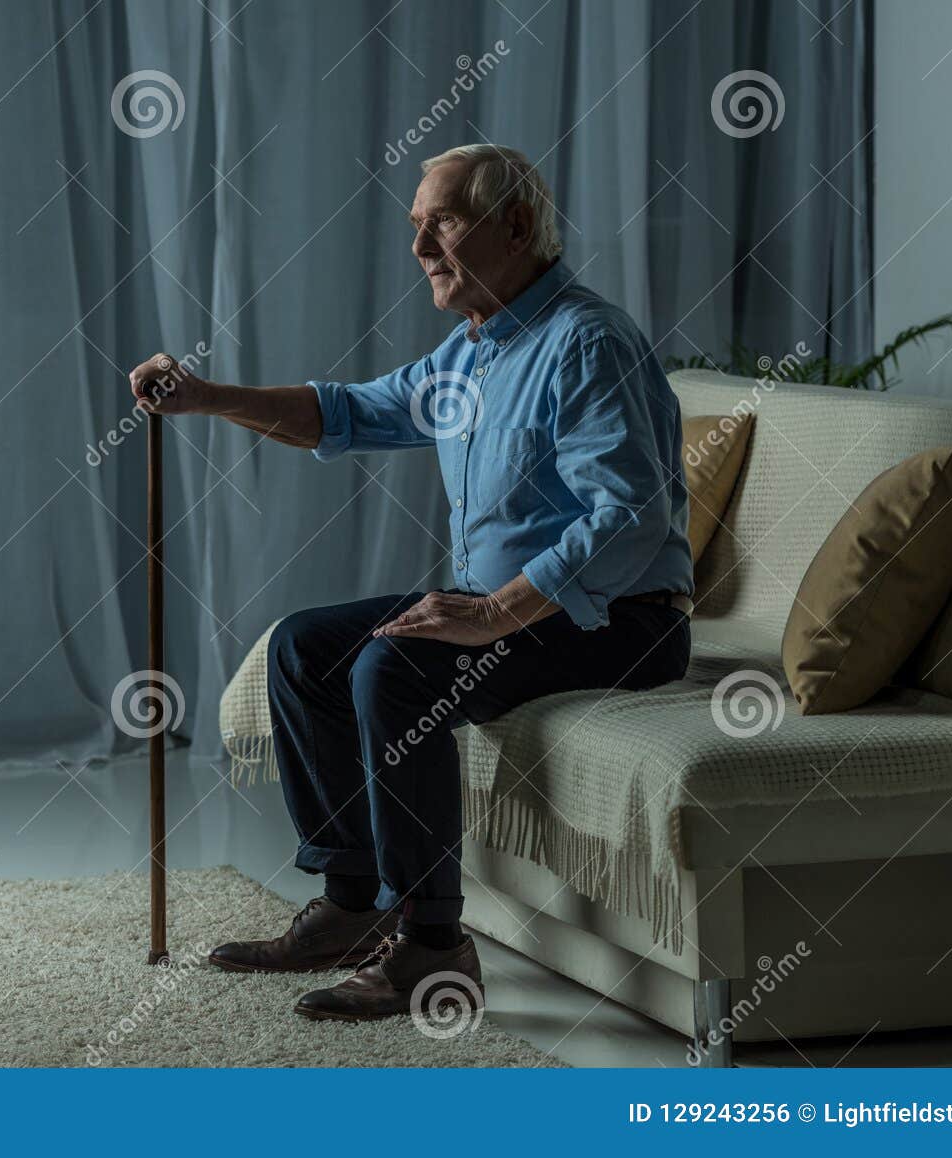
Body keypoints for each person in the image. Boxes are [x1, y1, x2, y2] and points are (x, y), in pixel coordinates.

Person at [127, 144, 693, 1023]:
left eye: (445, 221)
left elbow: (628, 516)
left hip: (622, 620)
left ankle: (435, 946)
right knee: (306, 648)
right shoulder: (470, 356)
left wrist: (497, 612)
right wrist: (205, 396)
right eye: (417, 226)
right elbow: (344, 413)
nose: (423, 246)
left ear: (514, 225)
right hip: (521, 612)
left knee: (393, 670)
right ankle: (354, 907)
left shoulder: (587, 342)